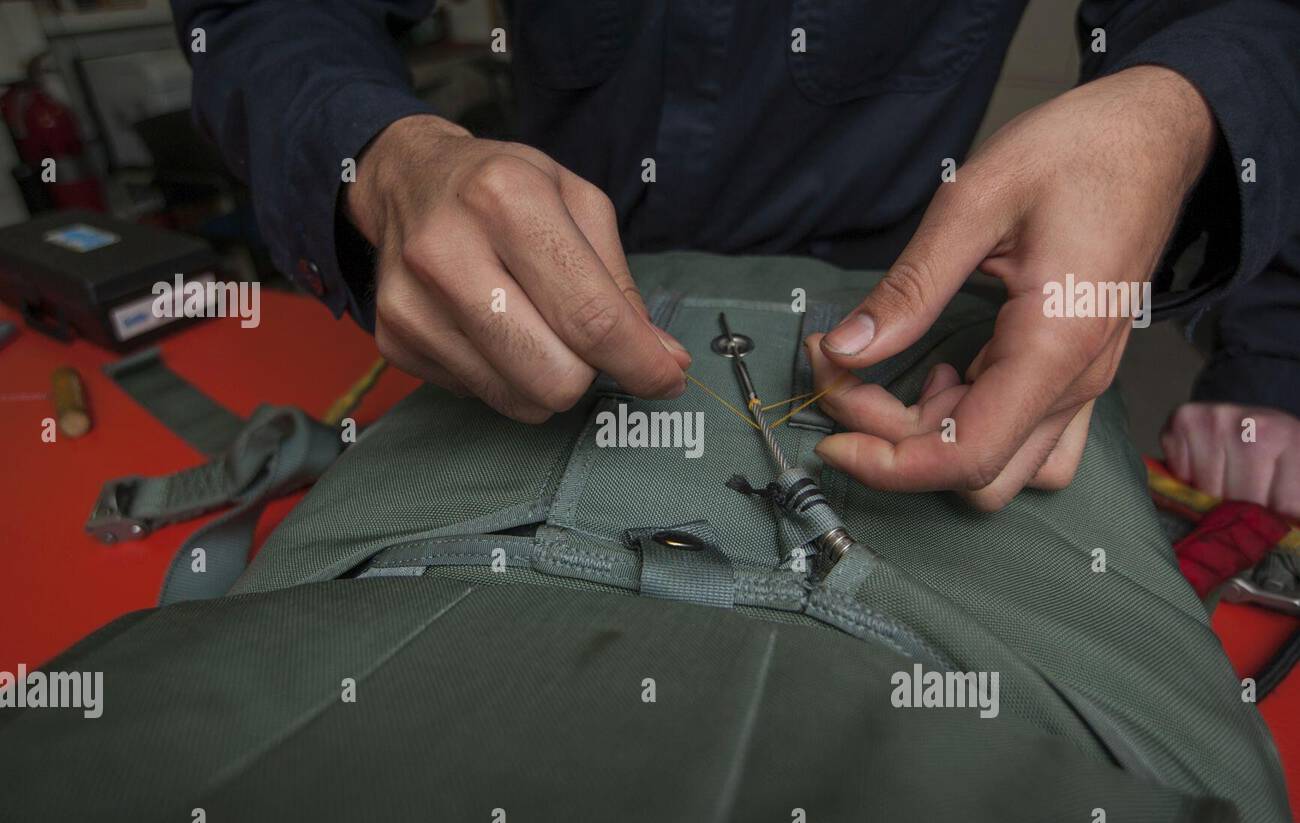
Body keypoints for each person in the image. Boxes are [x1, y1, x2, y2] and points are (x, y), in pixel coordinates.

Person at [171, 0, 1300, 512]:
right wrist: (379, 154)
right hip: (525, 327)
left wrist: (1179, 119)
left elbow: (1245, 23)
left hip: (904, 351)